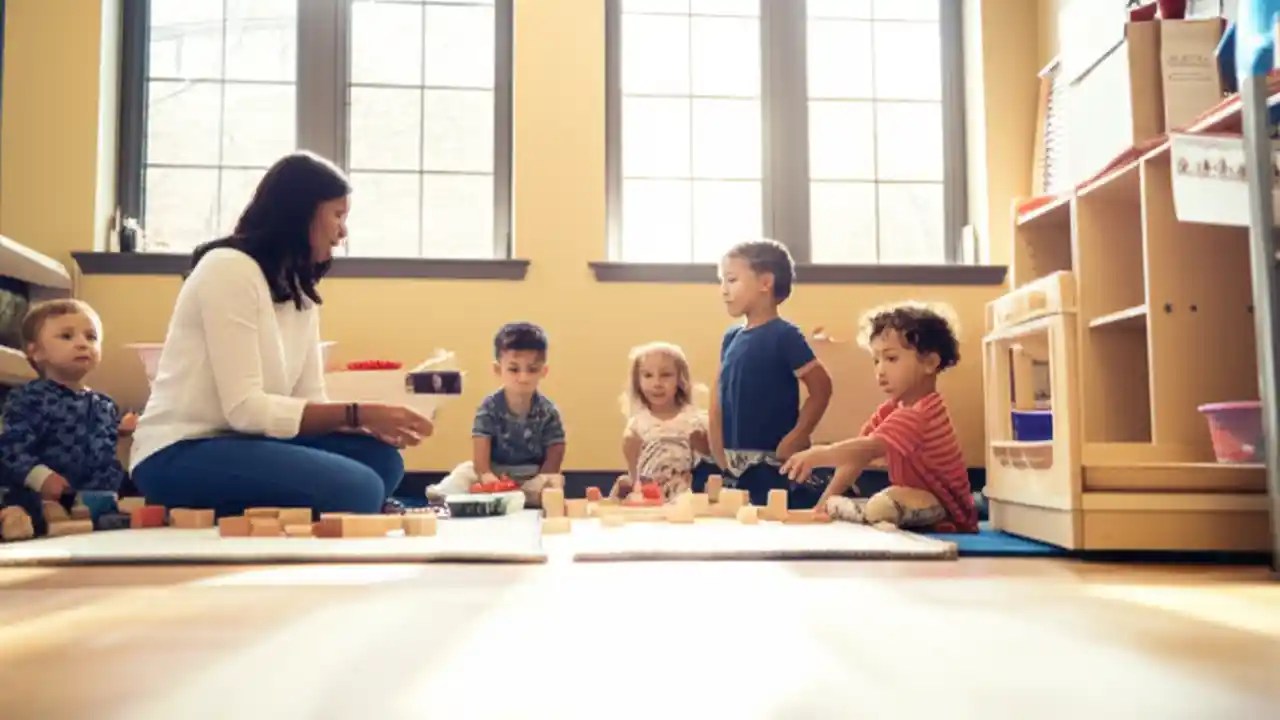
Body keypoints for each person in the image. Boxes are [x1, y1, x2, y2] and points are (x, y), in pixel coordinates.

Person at [129, 151, 433, 517]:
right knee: (361, 487)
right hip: (181, 449)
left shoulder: (299, 290)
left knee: (383, 462)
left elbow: (308, 398)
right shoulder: (227, 270)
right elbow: (245, 409)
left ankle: (268, 501)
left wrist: (362, 425)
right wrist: (358, 412)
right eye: (337, 215)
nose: (343, 231)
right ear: (302, 212)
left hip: (248, 443)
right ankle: (245, 502)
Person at [780, 302, 978, 533]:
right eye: (876, 360)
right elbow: (856, 456)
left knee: (883, 504)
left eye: (891, 359)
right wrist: (822, 504)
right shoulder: (892, 409)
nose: (880, 370)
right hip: (913, 499)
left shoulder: (921, 413)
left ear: (930, 363)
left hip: (948, 512)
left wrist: (819, 454)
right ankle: (859, 512)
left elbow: (868, 448)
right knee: (882, 502)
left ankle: (864, 515)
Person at [710, 239, 833, 508]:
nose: (723, 290)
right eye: (722, 281)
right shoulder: (731, 338)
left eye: (731, 280)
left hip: (773, 464)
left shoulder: (784, 335)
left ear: (765, 282)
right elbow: (718, 395)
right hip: (734, 465)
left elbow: (821, 387)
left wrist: (798, 435)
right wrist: (716, 446)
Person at [0, 299, 133, 536]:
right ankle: (14, 519)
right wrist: (41, 478)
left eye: (91, 337)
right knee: (26, 515)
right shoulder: (29, 398)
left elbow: (104, 443)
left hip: (97, 498)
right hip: (43, 499)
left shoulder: (105, 404)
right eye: (67, 336)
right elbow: (11, 447)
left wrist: (122, 430)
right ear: (36, 352)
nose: (82, 344)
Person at [427, 322, 566, 507]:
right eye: (514, 369)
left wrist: (543, 478)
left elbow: (555, 450)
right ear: (498, 369)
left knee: (554, 483)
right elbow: (480, 447)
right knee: (465, 472)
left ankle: (517, 499)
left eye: (532, 369)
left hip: (531, 475)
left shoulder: (548, 411)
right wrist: (487, 476)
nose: (523, 378)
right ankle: (441, 495)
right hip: (495, 472)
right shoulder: (489, 407)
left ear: (543, 371)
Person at [609, 341, 711, 502]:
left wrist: (701, 443)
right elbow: (634, 473)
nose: (657, 384)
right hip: (649, 497)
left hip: (685, 498)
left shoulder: (692, 420)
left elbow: (710, 459)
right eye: (648, 375)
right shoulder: (638, 424)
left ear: (680, 378)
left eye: (665, 375)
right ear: (638, 381)